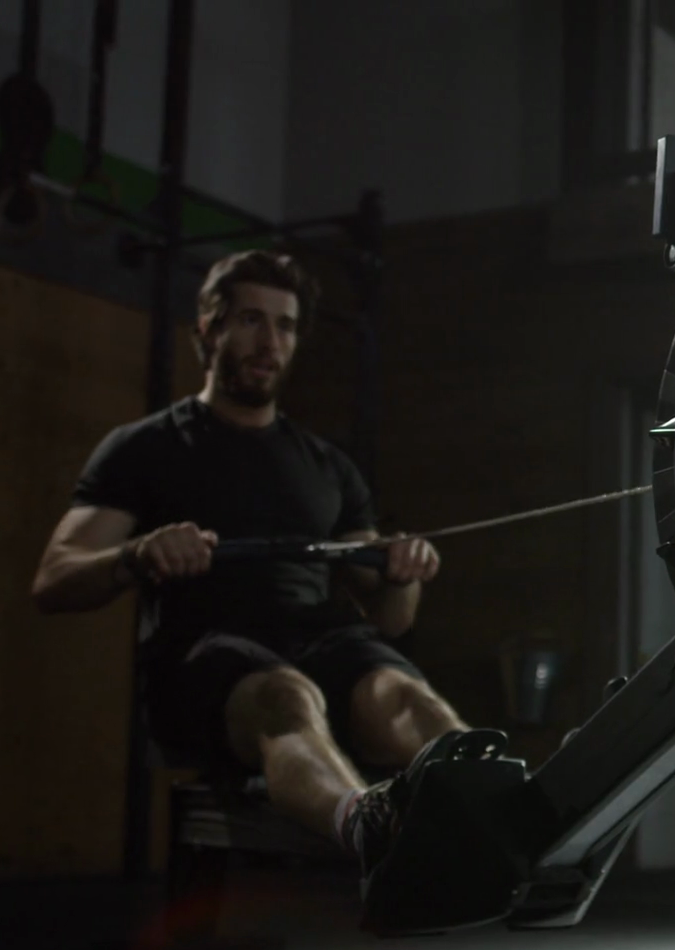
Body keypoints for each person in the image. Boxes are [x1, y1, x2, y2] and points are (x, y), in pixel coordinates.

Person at [30, 249, 477, 885]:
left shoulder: (327, 468)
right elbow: (53, 580)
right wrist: (136, 553)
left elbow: (389, 621)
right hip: (207, 650)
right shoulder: (146, 447)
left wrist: (402, 575)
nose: (270, 341)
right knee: (285, 694)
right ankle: (371, 829)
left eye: (286, 325)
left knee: (398, 692)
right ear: (208, 329)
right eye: (250, 320)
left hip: (320, 638)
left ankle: (505, 811)